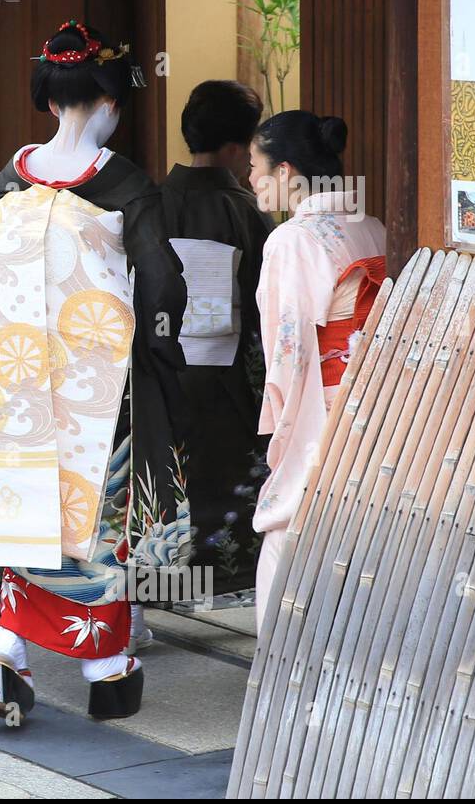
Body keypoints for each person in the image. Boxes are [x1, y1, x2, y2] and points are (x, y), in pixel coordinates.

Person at [0, 21, 190, 722]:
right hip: (100, 383)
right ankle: (107, 667)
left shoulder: (15, 173)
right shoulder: (122, 182)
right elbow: (164, 283)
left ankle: (7, 655)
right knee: (96, 520)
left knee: (24, 504)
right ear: (109, 100)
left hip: (16, 381)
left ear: (51, 99)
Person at [249, 111, 386, 630]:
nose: (251, 179)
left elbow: (289, 348)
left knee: (287, 530)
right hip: (373, 403)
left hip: (322, 404)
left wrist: (283, 423)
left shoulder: (292, 239)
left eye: (255, 166)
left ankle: (279, 680)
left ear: (286, 172)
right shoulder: (369, 226)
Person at [159, 81, 273, 612]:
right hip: (225, 367)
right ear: (237, 147)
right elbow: (262, 294)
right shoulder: (241, 209)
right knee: (225, 470)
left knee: (170, 475)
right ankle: (225, 583)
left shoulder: (154, 199)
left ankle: (158, 584)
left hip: (161, 361)